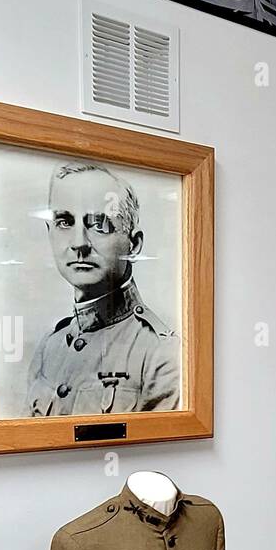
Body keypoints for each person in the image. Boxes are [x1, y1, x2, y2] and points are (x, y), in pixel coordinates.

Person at [26, 161, 179, 417]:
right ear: (49, 232)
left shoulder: (160, 355)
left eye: (99, 224)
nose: (79, 243)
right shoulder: (49, 347)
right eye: (65, 222)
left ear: (134, 243)